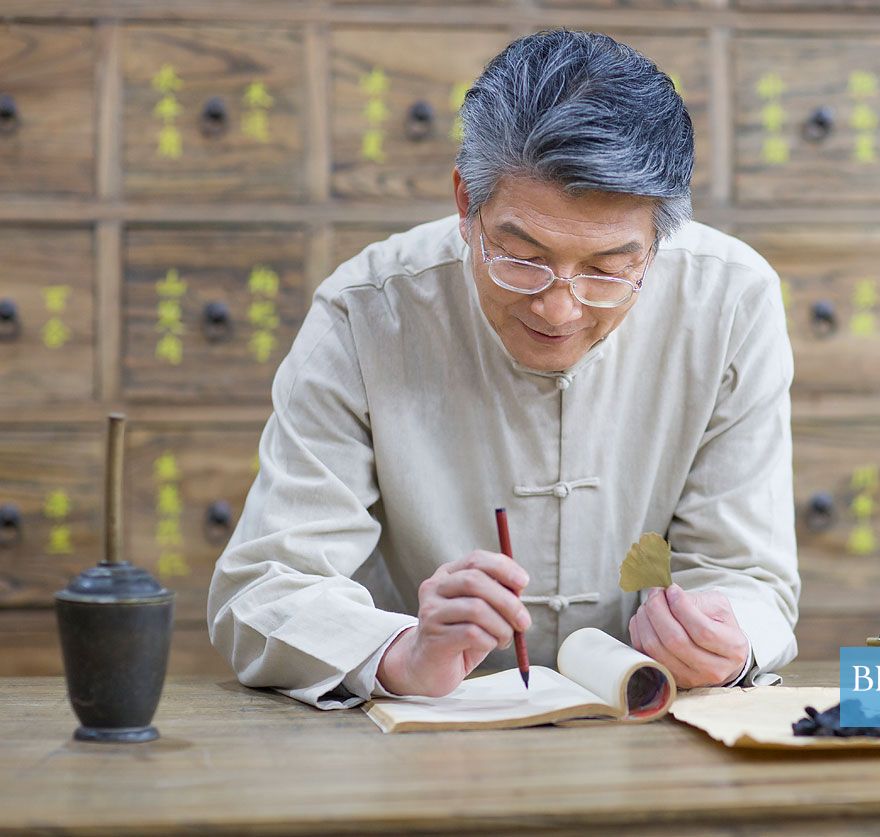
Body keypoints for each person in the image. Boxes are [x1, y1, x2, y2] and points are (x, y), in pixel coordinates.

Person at [207, 29, 799, 709]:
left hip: (643, 729)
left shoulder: (729, 299)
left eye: (608, 270)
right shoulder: (368, 311)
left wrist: (728, 635)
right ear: (467, 203)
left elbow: (746, 571)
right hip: (427, 744)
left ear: (659, 240)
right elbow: (267, 584)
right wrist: (398, 651)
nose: (558, 307)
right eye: (521, 256)